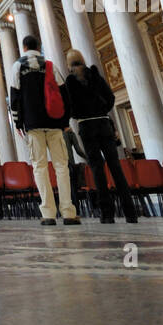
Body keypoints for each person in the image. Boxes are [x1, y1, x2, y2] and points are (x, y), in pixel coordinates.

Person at [9, 34, 80, 226]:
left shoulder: (18, 67)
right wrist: (65, 121)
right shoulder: (50, 65)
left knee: (39, 168)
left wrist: (18, 123)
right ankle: (68, 212)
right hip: (55, 122)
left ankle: (48, 213)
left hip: (33, 125)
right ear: (38, 47)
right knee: (61, 167)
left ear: (24, 48)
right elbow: (65, 94)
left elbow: (14, 97)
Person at [64, 49, 138, 225]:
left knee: (97, 169)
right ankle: (130, 212)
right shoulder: (95, 75)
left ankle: (107, 214)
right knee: (116, 168)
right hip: (104, 125)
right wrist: (102, 110)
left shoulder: (70, 81)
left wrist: (78, 115)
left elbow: (69, 106)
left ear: (69, 64)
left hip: (87, 127)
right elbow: (110, 97)